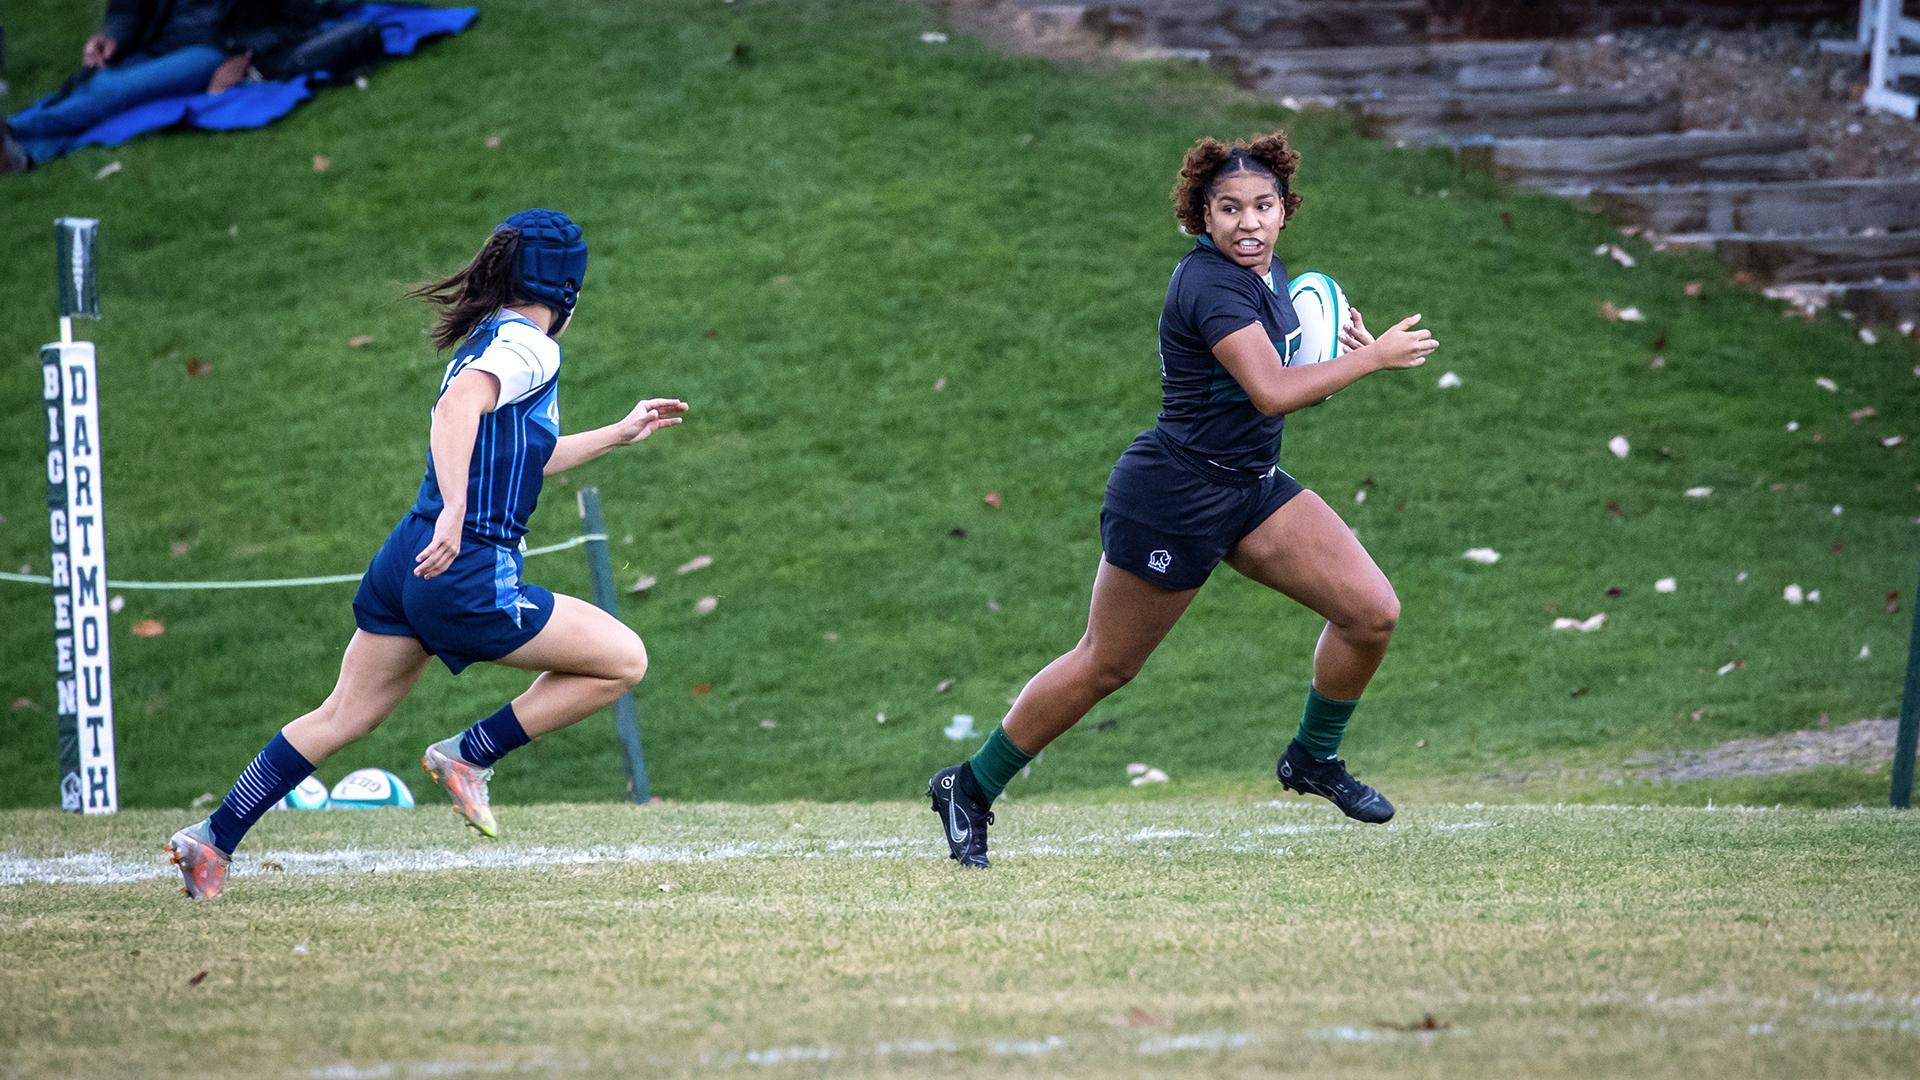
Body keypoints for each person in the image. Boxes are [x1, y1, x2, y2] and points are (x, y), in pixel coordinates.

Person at [927, 132, 1438, 868]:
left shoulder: (1267, 275)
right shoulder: (1210, 285)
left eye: (1262, 205)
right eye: (1229, 208)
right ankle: (970, 786)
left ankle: (1312, 758)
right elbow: (1271, 391)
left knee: (1371, 614)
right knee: (1106, 664)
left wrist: (1335, 353)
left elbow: (1278, 384)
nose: (1248, 222)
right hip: (1176, 495)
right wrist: (1371, 360)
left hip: (1253, 486)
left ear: (1286, 210)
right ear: (1202, 215)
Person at [166, 209, 689, 898]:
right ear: (567, 292)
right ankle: (468, 755)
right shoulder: (534, 347)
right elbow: (455, 411)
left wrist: (615, 434)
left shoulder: (492, 337)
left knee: (343, 715)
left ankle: (214, 837)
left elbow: (520, 457)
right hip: (463, 565)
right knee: (623, 660)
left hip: (409, 556)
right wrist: (456, 512)